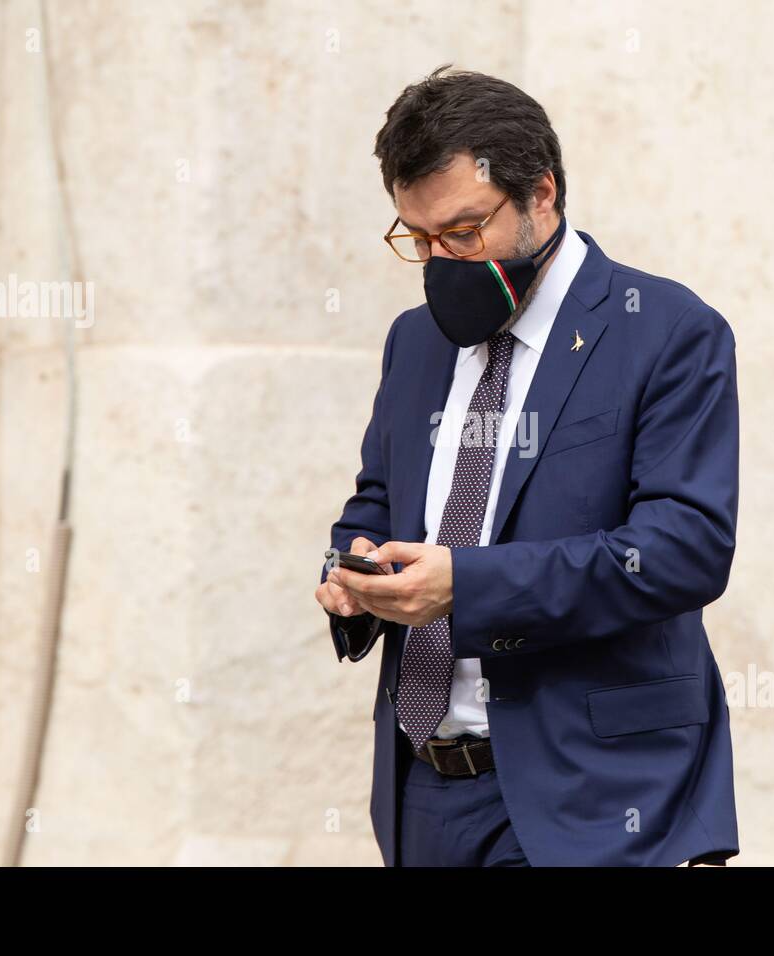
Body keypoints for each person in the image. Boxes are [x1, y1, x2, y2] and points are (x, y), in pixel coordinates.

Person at [315, 66, 740, 867]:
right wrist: (356, 574)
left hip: (596, 801)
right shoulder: (416, 341)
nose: (441, 260)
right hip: (422, 794)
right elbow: (380, 497)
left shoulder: (667, 331)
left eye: (464, 232)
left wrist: (466, 587)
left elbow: (684, 551)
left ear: (541, 193)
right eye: (419, 238)